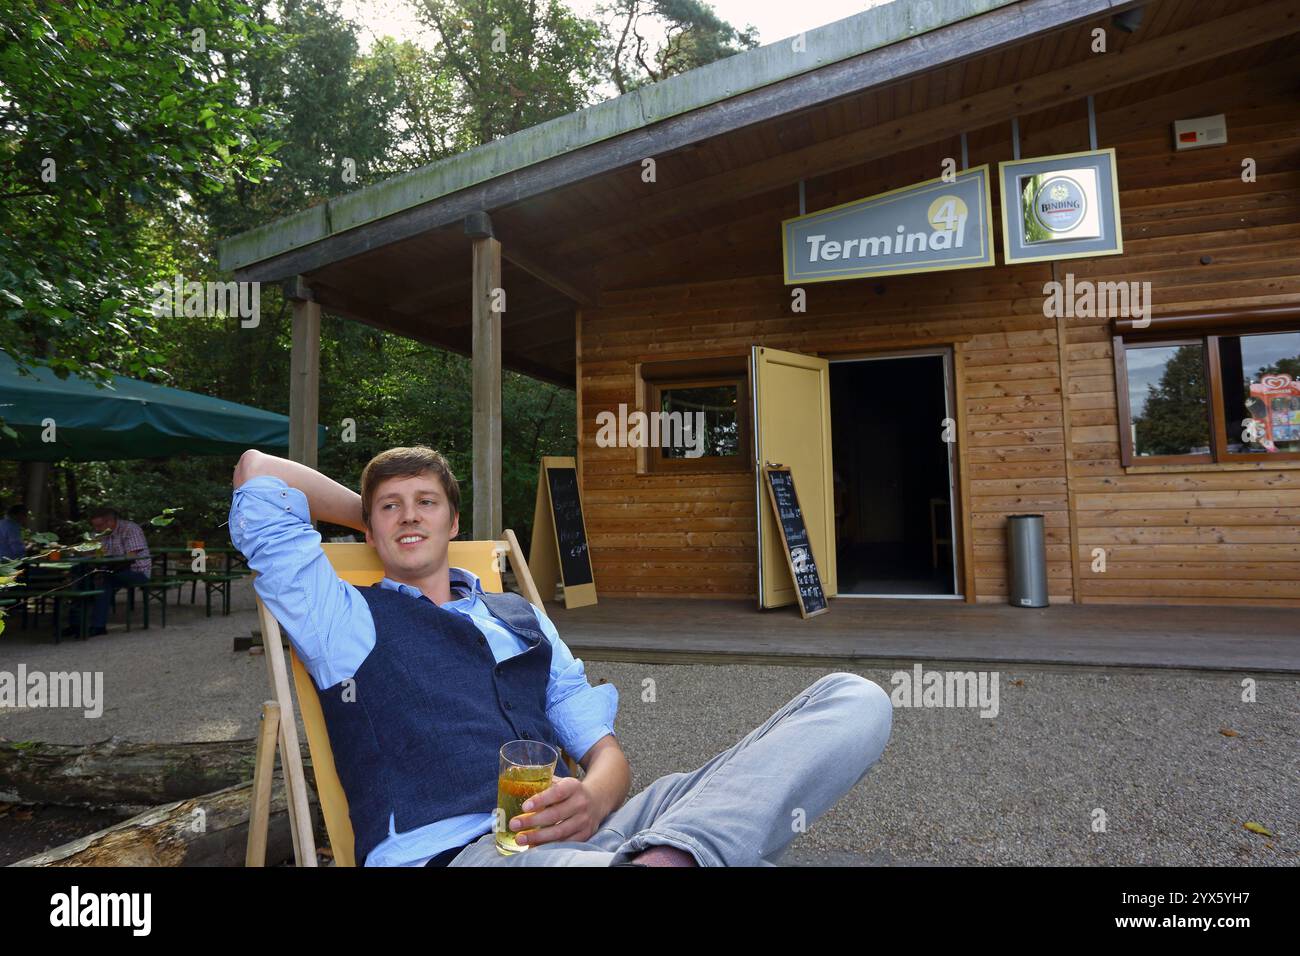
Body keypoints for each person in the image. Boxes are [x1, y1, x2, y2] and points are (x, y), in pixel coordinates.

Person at [230, 446, 893, 867]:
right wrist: (370, 510)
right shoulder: (344, 617)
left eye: (426, 503)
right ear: (367, 528)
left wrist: (595, 800)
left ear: (454, 523)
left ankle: (669, 857)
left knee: (854, 701)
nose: (410, 517)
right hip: (469, 855)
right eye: (391, 509)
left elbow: (606, 755)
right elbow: (258, 473)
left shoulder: (523, 618)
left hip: (593, 835)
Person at [64, 506, 153, 637]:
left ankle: (98, 626)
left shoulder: (130, 529)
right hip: (107, 568)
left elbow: (130, 557)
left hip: (136, 571)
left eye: (99, 526)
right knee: (79, 574)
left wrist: (102, 562)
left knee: (103, 580)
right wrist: (79, 551)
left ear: (110, 522)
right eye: (94, 526)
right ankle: (76, 624)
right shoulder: (99, 532)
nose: (96, 530)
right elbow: (91, 552)